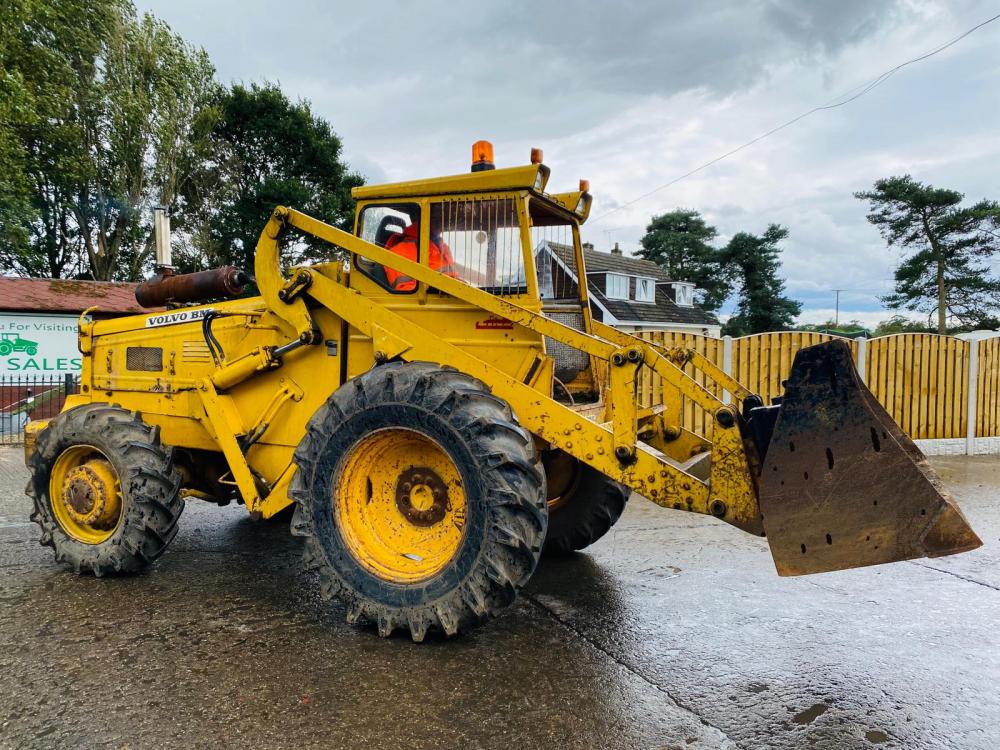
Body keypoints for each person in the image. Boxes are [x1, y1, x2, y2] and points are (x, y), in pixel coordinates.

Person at [383, 216, 458, 291]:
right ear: (425, 220)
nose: (441, 224)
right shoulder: (400, 250)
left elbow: (453, 276)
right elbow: (405, 289)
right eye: (436, 219)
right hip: (432, 298)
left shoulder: (439, 245)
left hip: (452, 294)